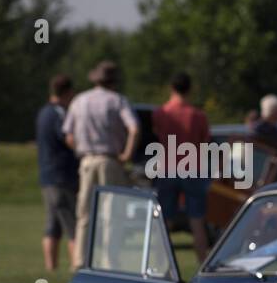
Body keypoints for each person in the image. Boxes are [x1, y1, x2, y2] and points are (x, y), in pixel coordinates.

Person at [62, 60, 139, 267]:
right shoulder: (117, 101)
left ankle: (80, 259)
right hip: (109, 160)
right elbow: (134, 128)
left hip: (87, 160)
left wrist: (81, 149)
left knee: (84, 212)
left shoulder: (79, 100)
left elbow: (68, 135)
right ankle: (109, 261)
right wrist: (126, 154)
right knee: (112, 212)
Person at [152, 71, 212, 261]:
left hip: (168, 168)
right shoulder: (198, 115)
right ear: (190, 89)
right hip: (192, 169)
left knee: (165, 220)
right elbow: (205, 141)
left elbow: (158, 136)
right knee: (197, 220)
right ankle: (202, 262)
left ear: (171, 88)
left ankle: (160, 263)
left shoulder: (160, 113)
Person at [36, 74, 79, 271]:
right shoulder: (59, 113)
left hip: (47, 175)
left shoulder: (43, 112)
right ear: (68, 92)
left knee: (53, 224)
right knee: (72, 224)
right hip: (62, 175)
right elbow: (67, 137)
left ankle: (50, 267)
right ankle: (76, 265)